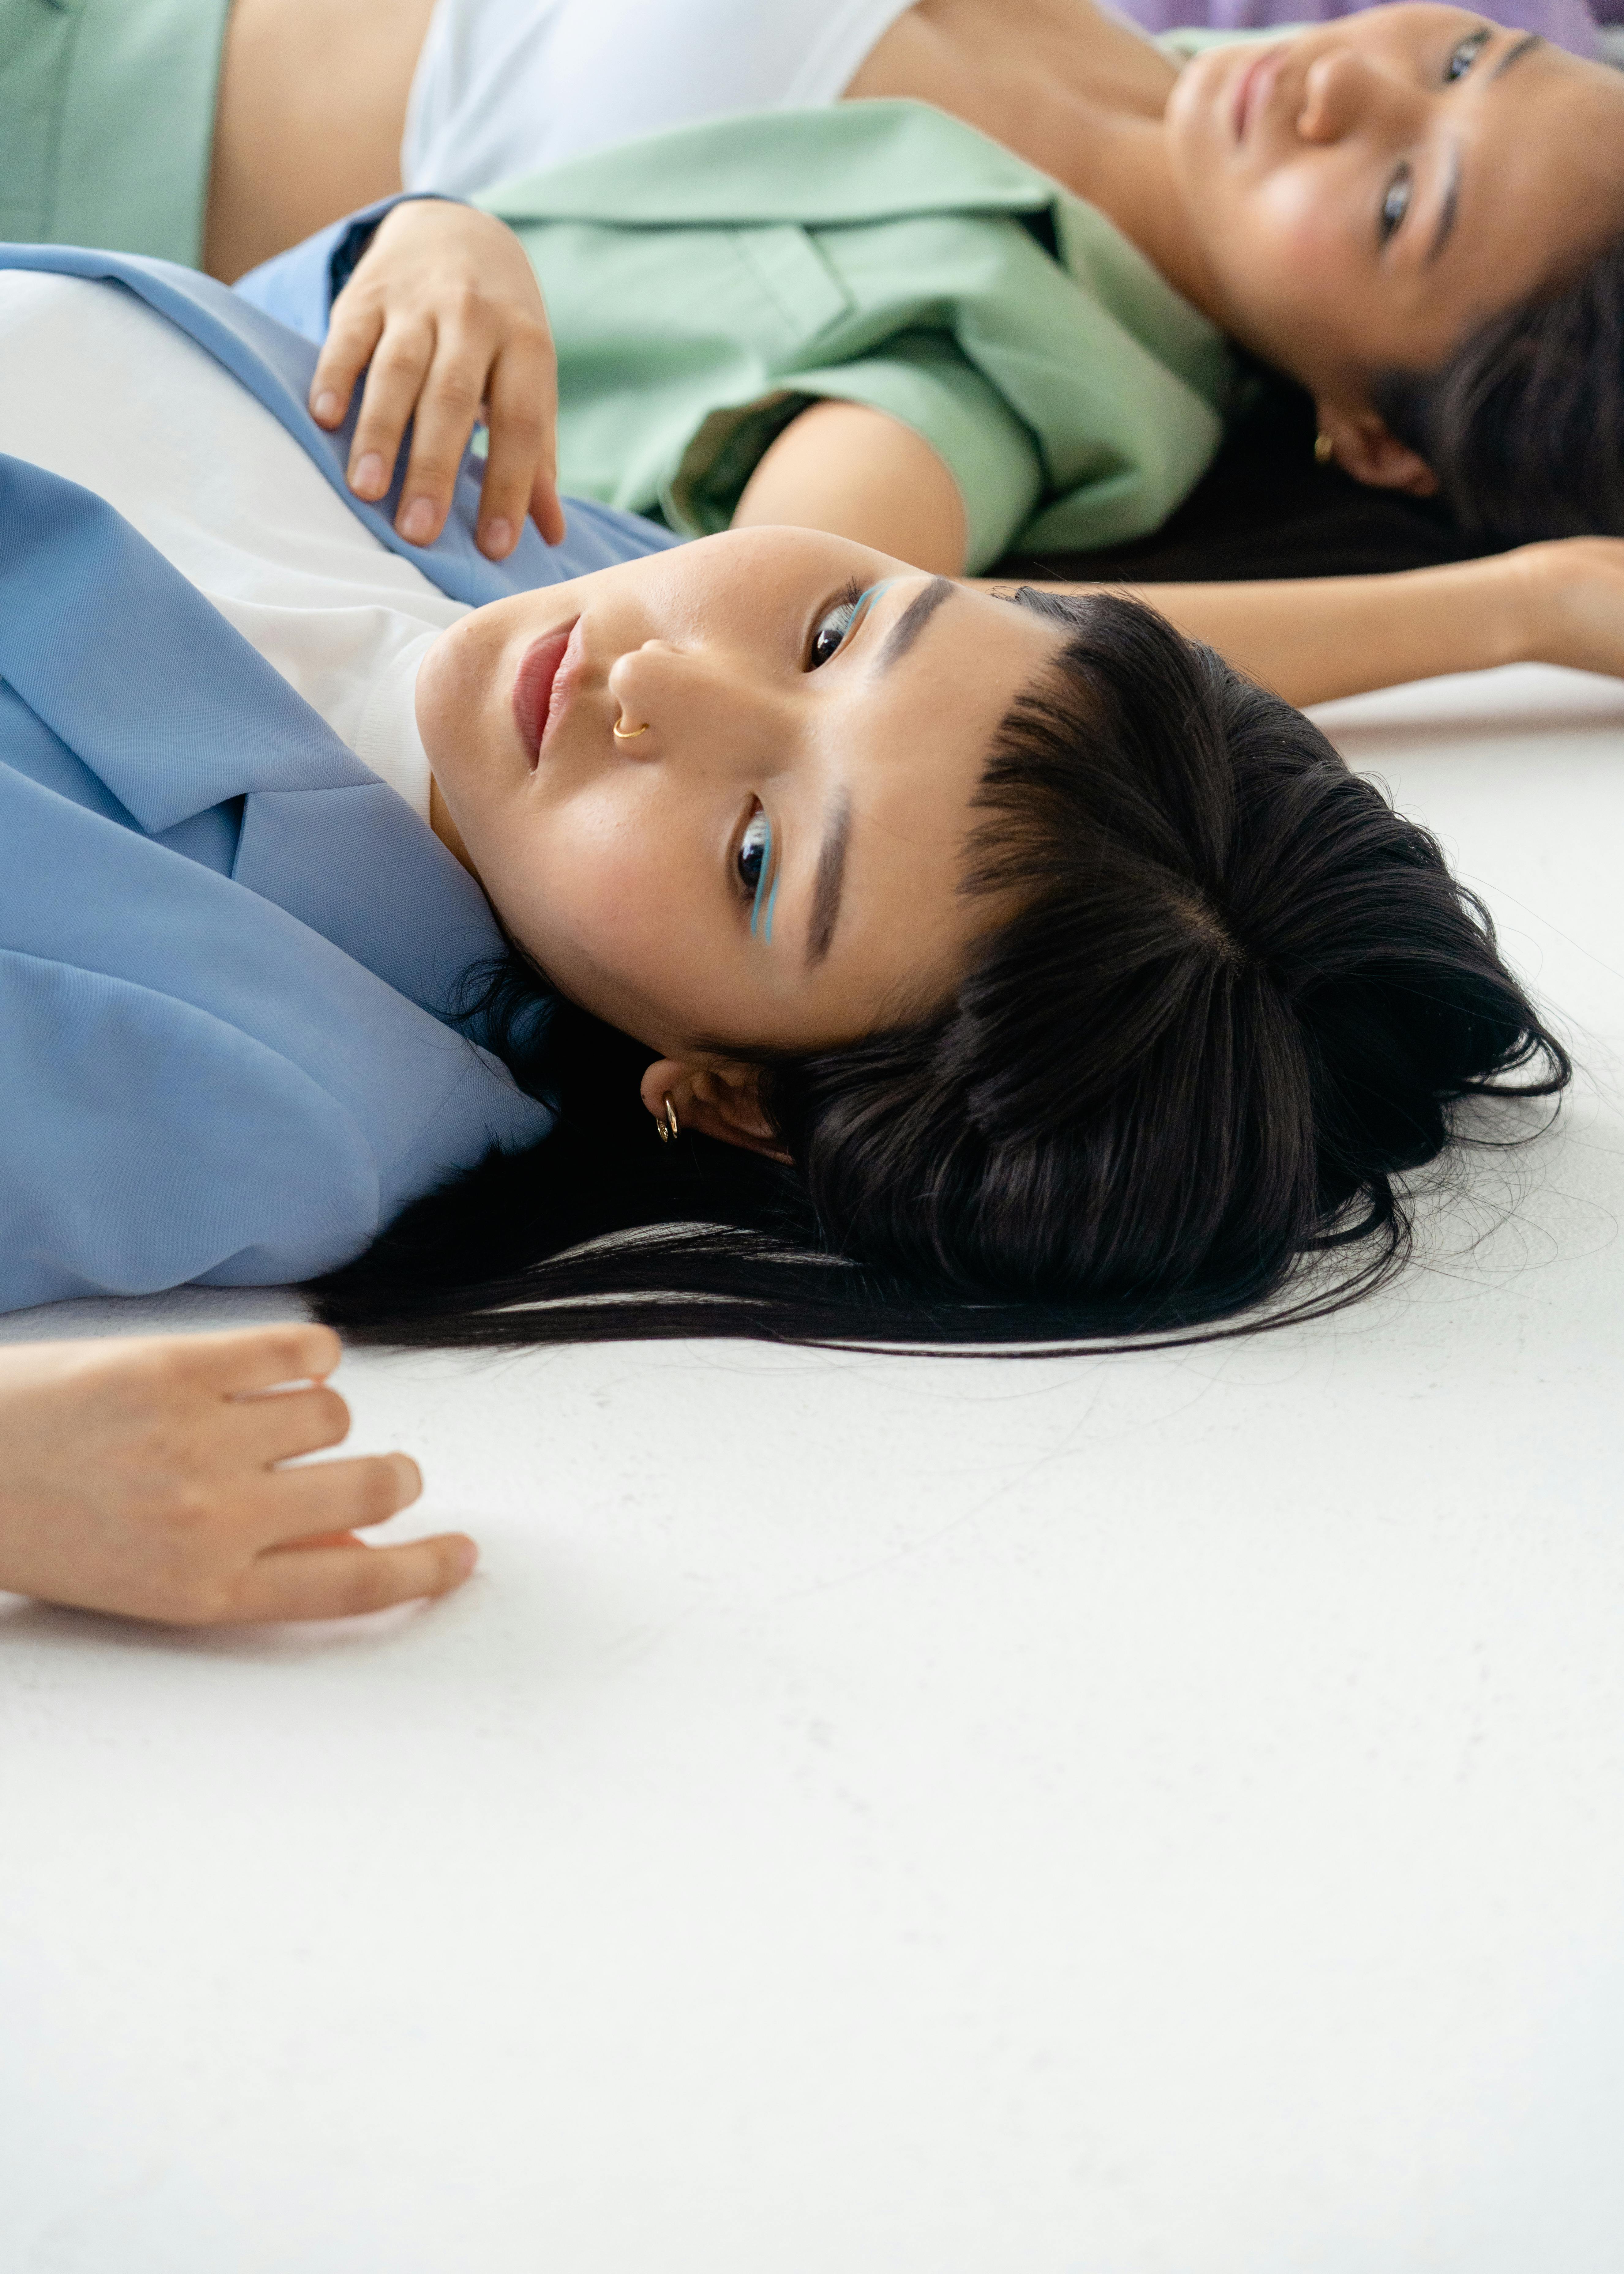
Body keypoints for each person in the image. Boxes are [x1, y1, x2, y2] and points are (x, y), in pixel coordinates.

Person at [0, 221, 1611, 1625]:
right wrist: (407, 251)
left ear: (735, 1097)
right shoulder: (583, 578)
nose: (659, 684)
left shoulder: (256, 1070)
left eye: (758, 855)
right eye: (843, 627)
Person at [6, 2, 1624, 566]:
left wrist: (1518, 612)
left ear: (1378, 438)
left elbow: (814, 604)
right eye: (1468, 56)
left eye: (1404, 202)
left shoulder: (1021, 346)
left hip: (69, 157)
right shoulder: (1158, 66)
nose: (1351, 91)